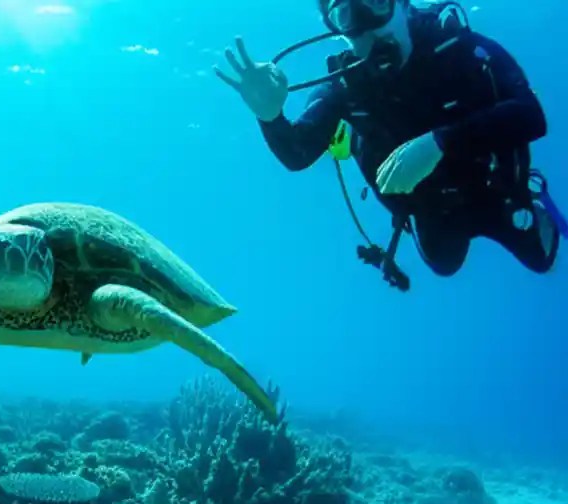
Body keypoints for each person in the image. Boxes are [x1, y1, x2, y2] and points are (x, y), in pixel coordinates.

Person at [214, 0, 562, 288]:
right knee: (444, 264)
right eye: (347, 15)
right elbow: (296, 153)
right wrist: (270, 116)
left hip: (495, 188)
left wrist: (440, 143)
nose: (367, 26)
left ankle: (533, 207)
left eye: (376, 3)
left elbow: (530, 115)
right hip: (431, 210)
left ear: (402, 5)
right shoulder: (344, 87)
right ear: (336, 29)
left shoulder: (461, 49)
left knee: (541, 259)